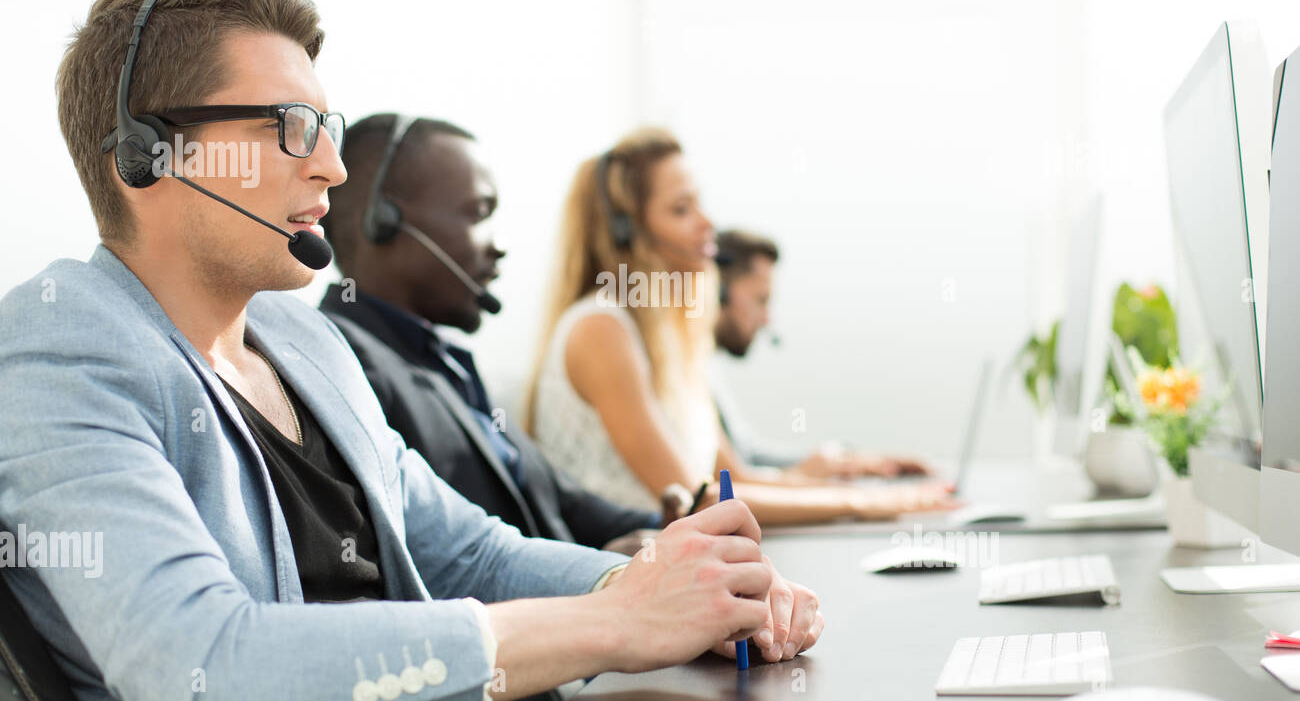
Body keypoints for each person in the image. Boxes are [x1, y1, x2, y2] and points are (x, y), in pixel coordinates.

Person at [0, 0, 821, 701]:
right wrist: (615, 622)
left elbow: (466, 552)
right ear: (147, 157)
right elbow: (202, 664)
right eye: (290, 125)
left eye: (328, 125)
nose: (332, 166)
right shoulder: (61, 354)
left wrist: (670, 588)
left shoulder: (301, 339)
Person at [523, 127, 960, 527]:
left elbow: (732, 478)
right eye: (681, 209)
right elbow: (700, 501)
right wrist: (863, 505)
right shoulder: (601, 330)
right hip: (626, 569)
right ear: (626, 234)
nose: (706, 222)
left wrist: (863, 489)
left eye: (699, 202)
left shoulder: (669, 338)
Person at [318, 113, 669, 558]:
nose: (498, 245)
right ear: (384, 222)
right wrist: (600, 573)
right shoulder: (349, 367)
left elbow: (564, 502)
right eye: (478, 213)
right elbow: (445, 564)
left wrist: (670, 523)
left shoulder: (443, 358)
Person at [713, 228, 933, 480]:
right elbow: (728, 481)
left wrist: (850, 461)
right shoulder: (680, 371)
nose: (766, 319)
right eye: (761, 300)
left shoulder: (703, 366)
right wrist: (802, 477)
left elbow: (746, 454)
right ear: (719, 292)